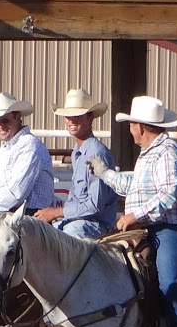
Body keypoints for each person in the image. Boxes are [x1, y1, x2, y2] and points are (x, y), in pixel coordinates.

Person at [91, 95, 177, 327]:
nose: (130, 130)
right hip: (149, 227)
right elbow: (137, 186)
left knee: (170, 283)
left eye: (131, 124)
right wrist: (106, 174)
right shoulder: (150, 153)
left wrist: (135, 215)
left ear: (140, 126)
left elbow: (170, 194)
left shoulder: (168, 154)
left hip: (170, 228)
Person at [35, 86, 117, 239]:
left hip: (96, 225)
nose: (71, 120)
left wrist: (56, 212)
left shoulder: (96, 153)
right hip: (79, 222)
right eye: (68, 116)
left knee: (65, 237)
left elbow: (94, 206)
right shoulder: (77, 153)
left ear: (90, 118)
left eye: (78, 115)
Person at [0, 92, 56, 219]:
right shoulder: (5, 148)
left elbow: (15, 194)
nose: (0, 126)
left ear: (18, 117)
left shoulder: (30, 146)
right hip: (10, 216)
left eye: (5, 120)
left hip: (28, 219)